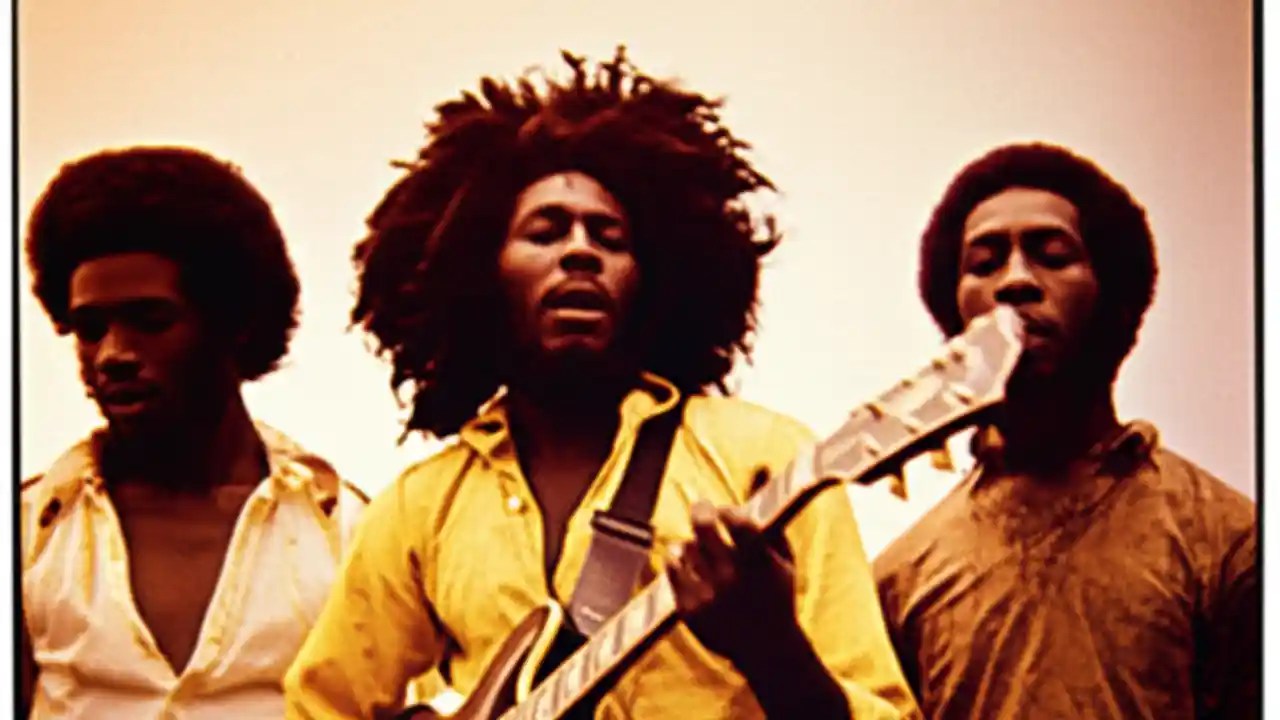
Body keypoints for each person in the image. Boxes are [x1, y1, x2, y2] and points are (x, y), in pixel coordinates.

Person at [284, 48, 919, 719]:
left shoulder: (766, 456)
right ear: (480, 272)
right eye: (547, 231)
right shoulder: (421, 507)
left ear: (652, 280)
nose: (581, 249)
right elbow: (322, 706)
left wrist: (772, 648)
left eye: (609, 236)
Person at [873, 142, 1258, 718]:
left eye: (1053, 255)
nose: (1016, 281)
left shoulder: (1228, 540)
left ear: (1114, 297)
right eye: (983, 264)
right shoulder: (901, 578)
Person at [19, 146, 369, 718]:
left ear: (234, 323)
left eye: (150, 321)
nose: (113, 354)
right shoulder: (32, 531)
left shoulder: (344, 532)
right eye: (89, 328)